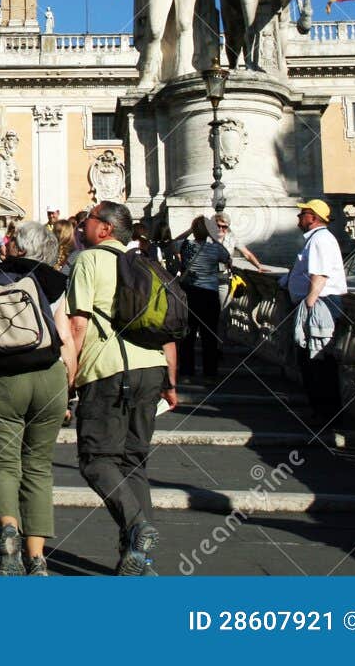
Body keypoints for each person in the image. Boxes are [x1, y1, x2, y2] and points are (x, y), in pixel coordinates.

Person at [67, 200, 179, 575]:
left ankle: (137, 527)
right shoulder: (146, 262)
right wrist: (171, 381)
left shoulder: (88, 261)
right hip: (151, 367)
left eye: (88, 219)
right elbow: (167, 331)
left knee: (97, 460)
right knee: (134, 464)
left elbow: (79, 324)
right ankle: (139, 561)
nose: (83, 225)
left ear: (105, 229)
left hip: (108, 370)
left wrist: (70, 376)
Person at [0, 220, 78, 575]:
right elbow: (68, 338)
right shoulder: (57, 282)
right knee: (39, 468)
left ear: (19, 248)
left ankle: (9, 533)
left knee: (2, 464)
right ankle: (37, 558)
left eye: (12, 239)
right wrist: (68, 385)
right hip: (49, 377)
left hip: (4, 377)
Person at [285, 199, 347, 421]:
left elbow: (320, 274)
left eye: (302, 213)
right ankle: (322, 410)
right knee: (313, 358)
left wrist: (309, 303)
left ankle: (325, 413)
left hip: (320, 304)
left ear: (312, 217)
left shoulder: (320, 240)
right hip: (319, 302)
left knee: (316, 358)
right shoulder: (317, 239)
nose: (299, 218)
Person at [177, 216, 231, 379]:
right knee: (210, 335)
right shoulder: (216, 248)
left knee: (188, 335)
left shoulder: (185, 245)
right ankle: (210, 373)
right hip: (210, 295)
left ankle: (187, 371)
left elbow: (173, 242)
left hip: (190, 294)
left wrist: (189, 231)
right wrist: (213, 237)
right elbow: (227, 258)